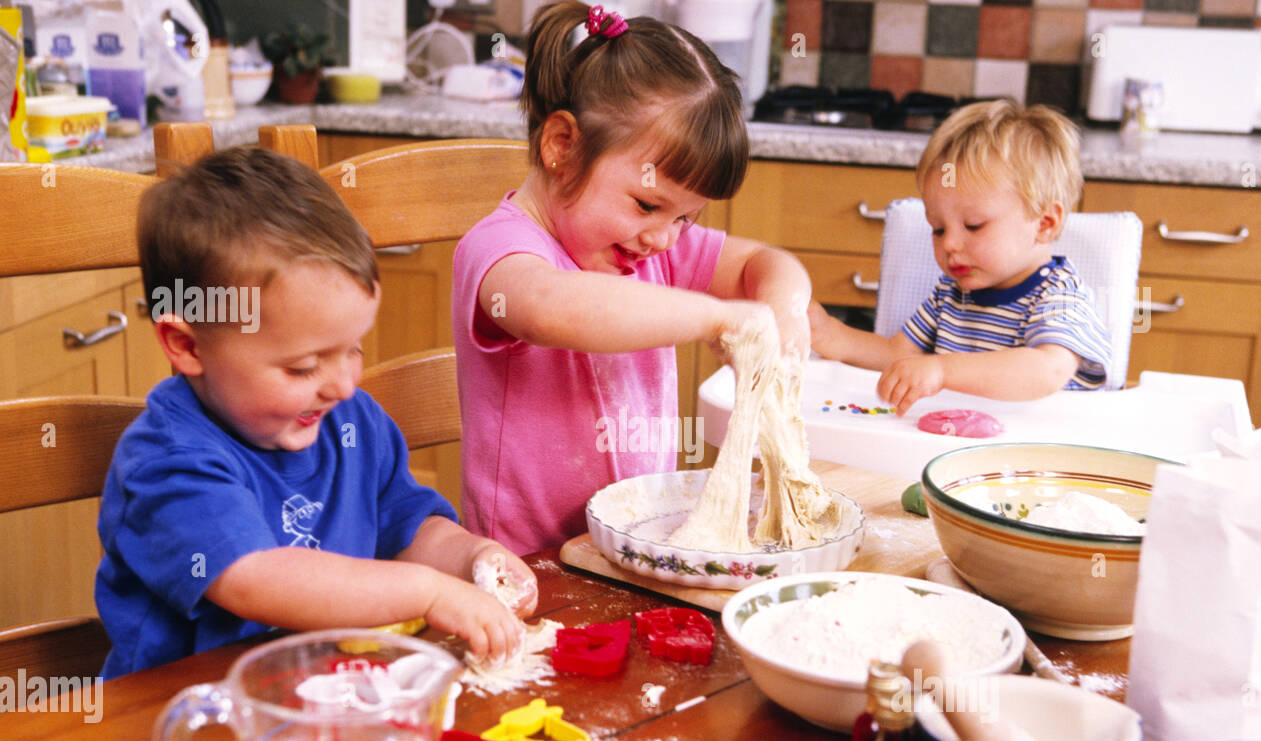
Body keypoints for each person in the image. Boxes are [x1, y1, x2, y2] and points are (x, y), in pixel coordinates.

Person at [96, 146, 535, 678]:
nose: (345, 385)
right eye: (304, 367)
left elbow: (408, 528)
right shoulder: (167, 462)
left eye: (353, 348)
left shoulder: (351, 423)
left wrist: (470, 557)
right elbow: (257, 579)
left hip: (328, 698)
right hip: (183, 719)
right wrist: (426, 592)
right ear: (187, 346)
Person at [453, 1, 813, 556]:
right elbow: (556, 309)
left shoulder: (648, 246)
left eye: (685, 217)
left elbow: (767, 264)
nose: (666, 238)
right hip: (533, 570)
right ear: (561, 146)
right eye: (647, 204)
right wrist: (719, 317)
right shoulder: (500, 252)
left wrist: (782, 312)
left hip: (638, 549)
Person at [811, 99, 1111, 416]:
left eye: (973, 225)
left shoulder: (1061, 296)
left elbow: (1047, 370)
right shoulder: (951, 294)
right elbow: (895, 353)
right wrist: (830, 334)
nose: (950, 243)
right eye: (938, 229)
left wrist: (942, 370)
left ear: (1045, 223)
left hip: (1037, 456)